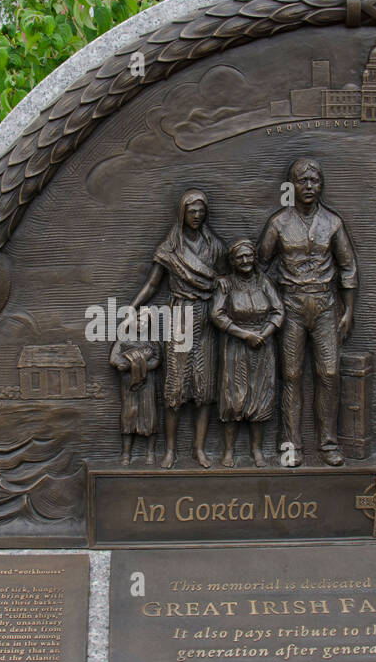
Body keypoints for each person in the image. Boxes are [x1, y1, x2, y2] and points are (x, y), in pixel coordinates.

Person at [257, 159, 357, 467]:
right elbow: (260, 267)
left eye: (314, 180)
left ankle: (328, 443)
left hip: (326, 305)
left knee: (328, 374)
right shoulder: (278, 223)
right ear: (292, 186)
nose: (309, 186)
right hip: (292, 306)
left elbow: (348, 267)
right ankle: (291, 445)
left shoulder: (333, 223)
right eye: (303, 181)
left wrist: (349, 310)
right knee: (292, 376)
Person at [131, 189, 227, 468]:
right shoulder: (170, 248)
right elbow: (152, 284)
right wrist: (132, 307)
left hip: (207, 317)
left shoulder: (215, 247)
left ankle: (199, 449)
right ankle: (170, 450)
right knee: (175, 386)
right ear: (182, 213)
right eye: (192, 211)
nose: (197, 216)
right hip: (180, 315)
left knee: (204, 387)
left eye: (201, 211)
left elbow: (224, 282)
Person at [211, 240, 284, 467]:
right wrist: (244, 335)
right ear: (232, 261)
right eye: (239, 257)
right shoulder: (225, 284)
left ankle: (257, 451)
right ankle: (229, 451)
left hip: (262, 346)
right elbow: (217, 315)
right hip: (235, 347)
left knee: (260, 396)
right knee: (234, 396)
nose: (245, 261)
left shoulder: (264, 282)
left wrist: (264, 333)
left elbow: (278, 311)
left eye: (248, 256)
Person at [110, 339, 161, 465]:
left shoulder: (153, 341)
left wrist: (138, 365)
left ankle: (150, 452)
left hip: (148, 382)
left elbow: (157, 360)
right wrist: (141, 359)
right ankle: (126, 453)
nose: (141, 323)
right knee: (128, 415)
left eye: (144, 319)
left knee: (149, 415)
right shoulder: (122, 341)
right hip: (128, 383)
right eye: (137, 319)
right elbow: (114, 360)